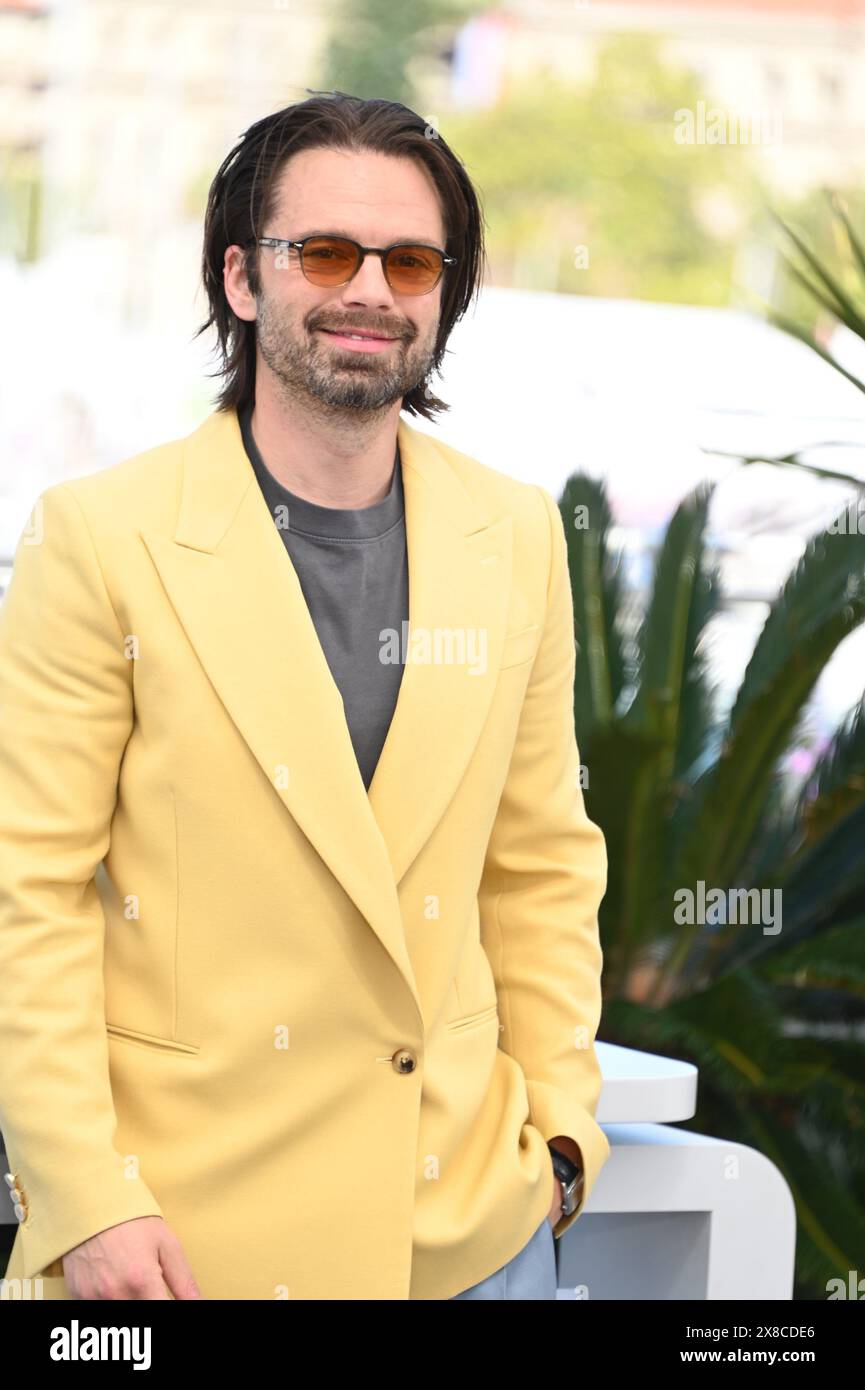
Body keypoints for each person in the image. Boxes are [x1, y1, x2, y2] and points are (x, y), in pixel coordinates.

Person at [0, 91, 609, 1301]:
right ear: (241, 278)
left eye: (411, 260)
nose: (371, 290)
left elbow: (539, 862)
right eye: (324, 251)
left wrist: (561, 1141)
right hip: (173, 1247)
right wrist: (86, 1195)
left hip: (471, 1241)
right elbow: (28, 894)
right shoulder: (102, 539)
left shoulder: (517, 534)